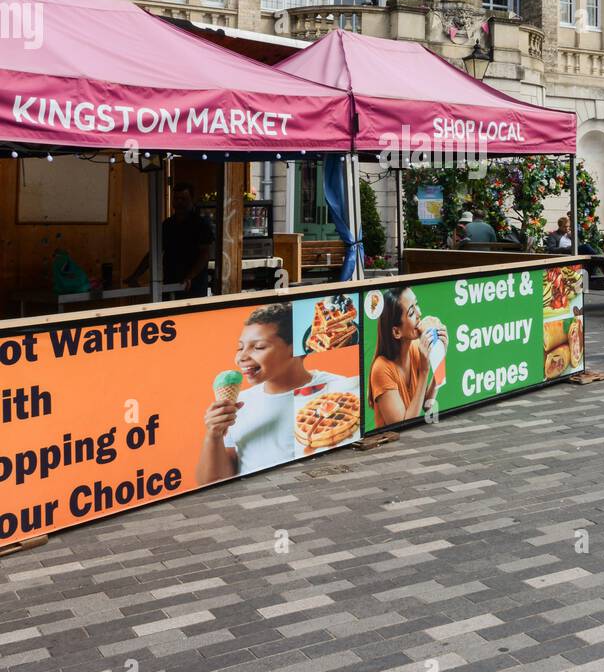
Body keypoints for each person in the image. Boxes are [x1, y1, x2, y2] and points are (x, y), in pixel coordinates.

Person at [197, 303, 358, 484]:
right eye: (240, 347)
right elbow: (212, 483)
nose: (241, 357)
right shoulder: (238, 405)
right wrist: (214, 434)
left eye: (258, 347)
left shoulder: (343, 388)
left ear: (297, 348)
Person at [368, 286, 448, 428]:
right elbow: (403, 426)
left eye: (416, 305)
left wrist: (439, 356)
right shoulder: (381, 369)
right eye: (411, 312)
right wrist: (424, 371)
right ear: (396, 332)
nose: (420, 313)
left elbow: (427, 405)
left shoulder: (416, 347)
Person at [127, 182, 214, 297]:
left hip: (193, 286)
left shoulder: (201, 224)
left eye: (183, 199)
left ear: (192, 200)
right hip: (170, 283)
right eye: (176, 199)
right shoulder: (167, 224)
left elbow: (205, 254)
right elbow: (155, 252)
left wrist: (189, 276)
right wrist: (135, 275)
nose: (179, 202)